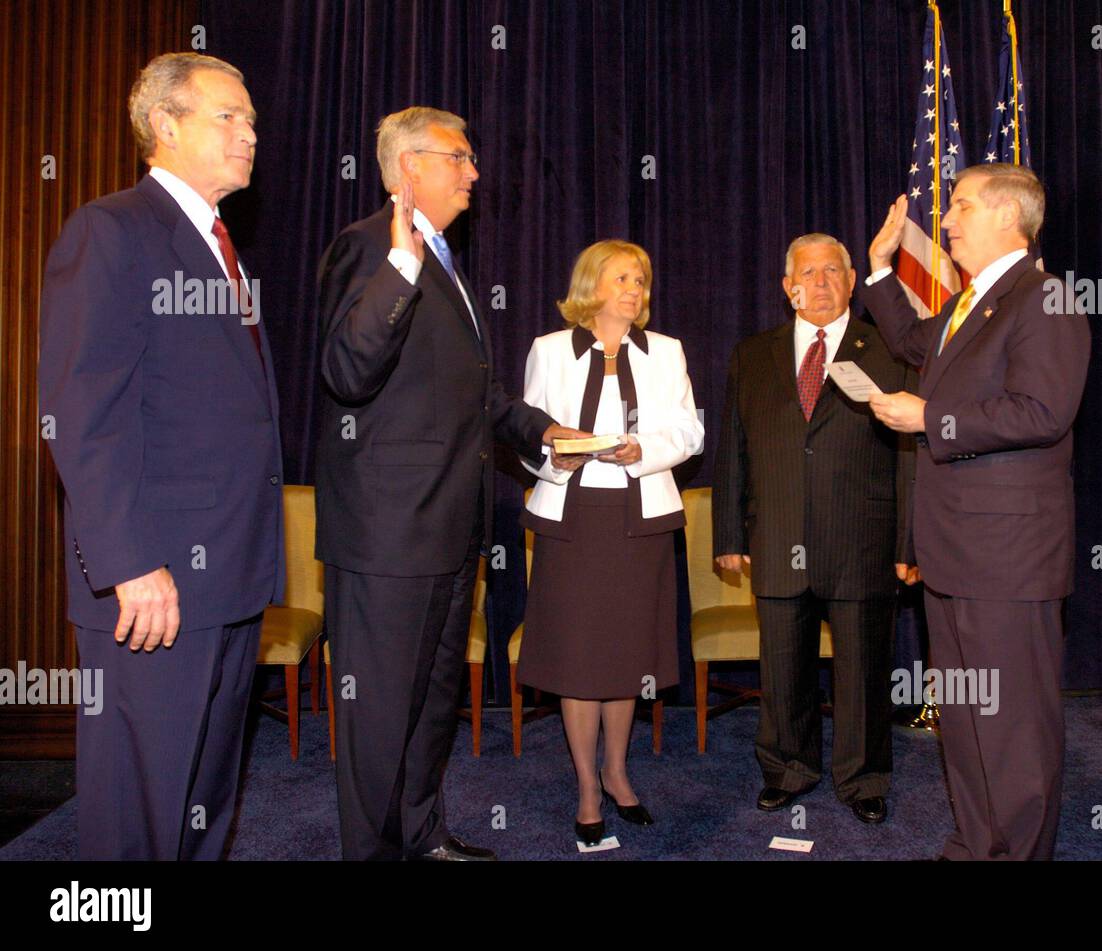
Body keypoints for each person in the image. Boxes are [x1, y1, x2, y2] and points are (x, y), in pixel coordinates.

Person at [315, 106, 582, 861]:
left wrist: (541, 431)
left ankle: (421, 833)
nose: (474, 172)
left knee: (432, 705)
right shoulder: (369, 248)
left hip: (447, 530)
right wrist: (399, 268)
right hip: (386, 536)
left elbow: (474, 394)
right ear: (411, 169)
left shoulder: (444, 259)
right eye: (460, 158)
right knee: (377, 716)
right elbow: (345, 371)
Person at [38, 52, 282, 859]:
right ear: (166, 124)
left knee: (204, 800)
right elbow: (84, 414)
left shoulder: (219, 246)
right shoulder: (111, 230)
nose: (250, 133)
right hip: (154, 586)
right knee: (135, 818)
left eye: (250, 118)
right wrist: (131, 562)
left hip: (228, 578)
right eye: (229, 117)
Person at [863, 163, 1090, 860]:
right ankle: (976, 844)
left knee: (1013, 727)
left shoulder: (1045, 298)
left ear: (1007, 216)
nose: (947, 220)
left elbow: (1042, 411)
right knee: (964, 719)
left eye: (959, 206)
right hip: (954, 552)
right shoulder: (971, 305)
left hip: (1009, 558)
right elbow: (911, 343)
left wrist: (930, 415)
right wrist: (877, 271)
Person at [713, 234, 917, 826]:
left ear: (854, 281)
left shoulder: (889, 349)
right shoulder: (753, 354)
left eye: (834, 270)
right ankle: (788, 769)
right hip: (776, 536)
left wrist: (909, 542)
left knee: (861, 673)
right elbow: (735, 450)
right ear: (787, 287)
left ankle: (863, 778)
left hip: (862, 537)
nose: (821, 282)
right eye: (808, 272)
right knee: (782, 669)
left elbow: (911, 457)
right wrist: (729, 534)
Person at [517, 240, 704, 846]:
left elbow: (689, 431)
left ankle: (620, 775)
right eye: (623, 277)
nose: (635, 289)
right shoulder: (549, 349)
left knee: (626, 657)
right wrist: (556, 461)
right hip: (573, 518)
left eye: (641, 280)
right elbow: (525, 431)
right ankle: (587, 790)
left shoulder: (666, 352)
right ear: (592, 284)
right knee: (579, 659)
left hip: (638, 514)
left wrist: (643, 450)